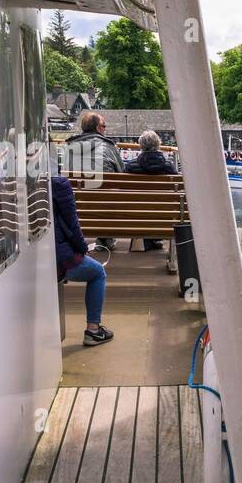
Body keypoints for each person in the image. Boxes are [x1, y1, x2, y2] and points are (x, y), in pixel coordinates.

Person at [52, 170, 114, 346]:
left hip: (29, 259)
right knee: (97, 272)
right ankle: (93, 330)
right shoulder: (58, 184)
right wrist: (82, 248)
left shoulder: (11, 180)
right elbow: (72, 223)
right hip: (58, 256)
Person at [64, 112, 121, 249]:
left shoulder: (69, 147)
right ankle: (105, 238)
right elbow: (121, 172)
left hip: (78, 206)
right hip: (107, 206)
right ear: (97, 128)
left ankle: (103, 239)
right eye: (103, 125)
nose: (105, 128)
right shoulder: (108, 147)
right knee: (107, 194)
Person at [124, 130, 173, 251]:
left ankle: (147, 239)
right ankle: (156, 237)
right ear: (158, 145)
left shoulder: (131, 167)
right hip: (162, 213)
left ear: (141, 146)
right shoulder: (168, 167)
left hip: (137, 212)